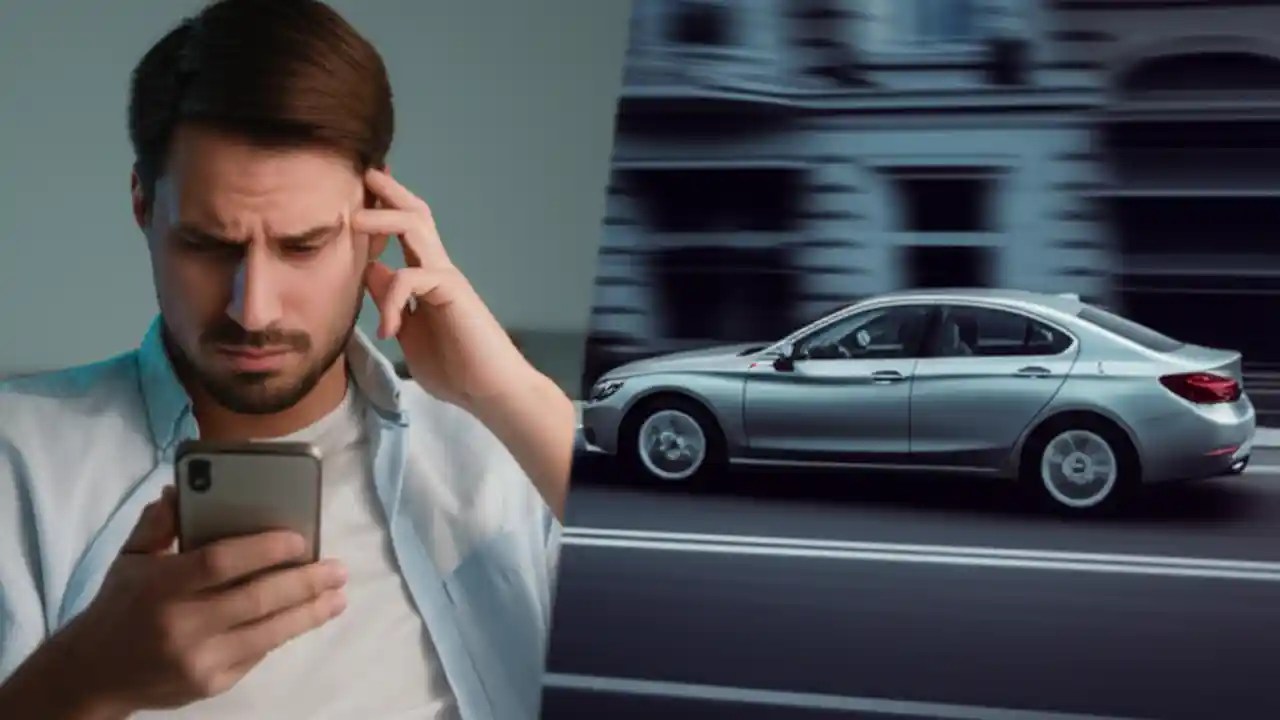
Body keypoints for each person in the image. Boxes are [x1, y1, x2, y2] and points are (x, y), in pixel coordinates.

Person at [0, 1, 575, 718]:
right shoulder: (17, 459)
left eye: (302, 246)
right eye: (208, 245)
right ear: (143, 207)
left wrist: (512, 395)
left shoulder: (505, 454)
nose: (254, 308)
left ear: (378, 218)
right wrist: (81, 679)